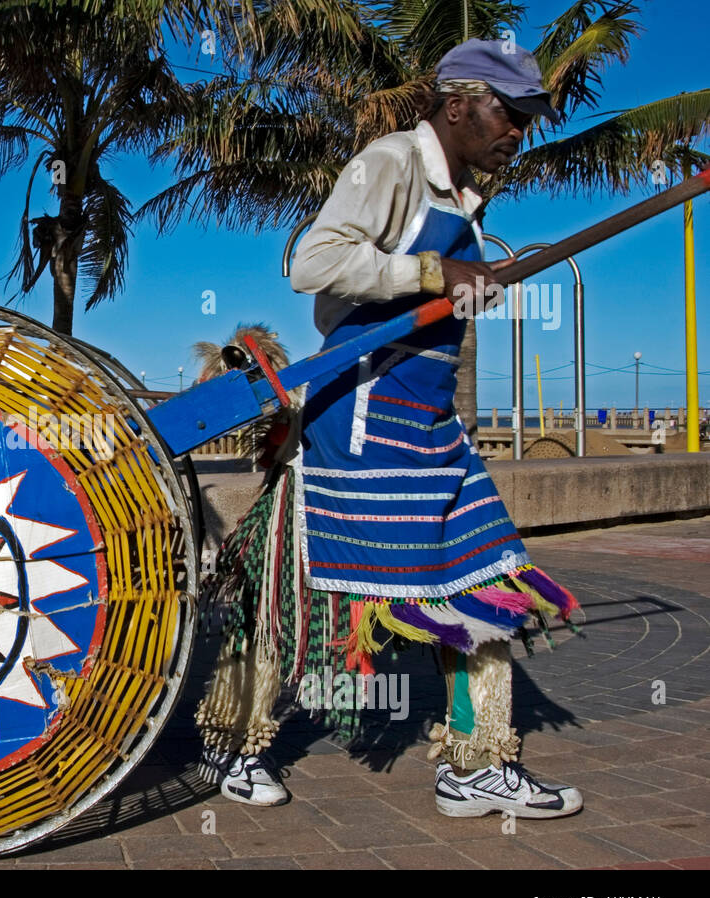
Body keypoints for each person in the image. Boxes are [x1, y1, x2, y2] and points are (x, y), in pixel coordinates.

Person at [195, 39, 584, 819]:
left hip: (427, 422)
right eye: (510, 114)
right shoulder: (391, 164)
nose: (519, 133)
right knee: (302, 587)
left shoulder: (464, 198)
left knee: (483, 577)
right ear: (456, 104)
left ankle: (477, 765)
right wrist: (438, 274)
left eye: (526, 120)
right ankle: (233, 743)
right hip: (362, 416)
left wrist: (465, 290)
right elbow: (315, 262)